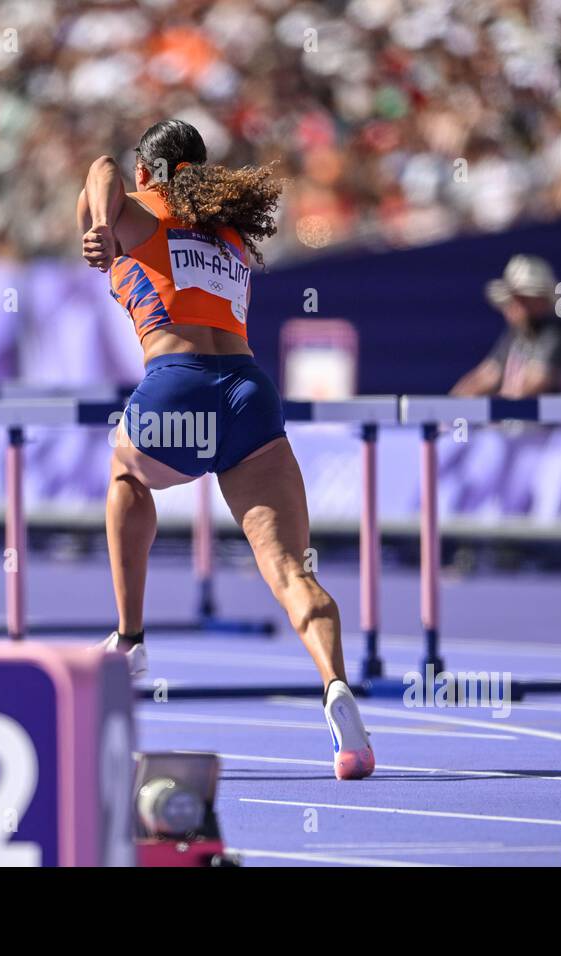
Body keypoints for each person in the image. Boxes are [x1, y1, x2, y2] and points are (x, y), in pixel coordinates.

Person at [77, 119, 374, 780]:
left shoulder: (142, 215)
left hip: (176, 390)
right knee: (290, 570)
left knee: (126, 470)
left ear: (147, 174)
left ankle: (130, 639)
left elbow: (99, 166)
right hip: (249, 397)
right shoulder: (231, 235)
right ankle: (337, 692)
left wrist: (102, 222)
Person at [451, 254, 561, 397]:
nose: (515, 305)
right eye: (514, 297)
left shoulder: (555, 333)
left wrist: (493, 411)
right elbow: (486, 376)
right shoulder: (516, 334)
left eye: (525, 299)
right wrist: (454, 405)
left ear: (543, 299)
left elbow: (534, 383)